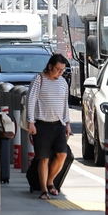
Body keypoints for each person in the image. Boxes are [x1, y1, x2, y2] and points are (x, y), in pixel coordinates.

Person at [26, 54, 71, 199]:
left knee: (62, 154)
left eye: (62, 70)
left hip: (58, 124)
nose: (60, 72)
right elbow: (30, 101)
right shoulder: (39, 80)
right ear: (50, 66)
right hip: (42, 124)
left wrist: (67, 123)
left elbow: (65, 104)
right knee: (43, 157)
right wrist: (31, 122)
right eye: (57, 69)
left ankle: (50, 181)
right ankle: (44, 189)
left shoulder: (63, 83)